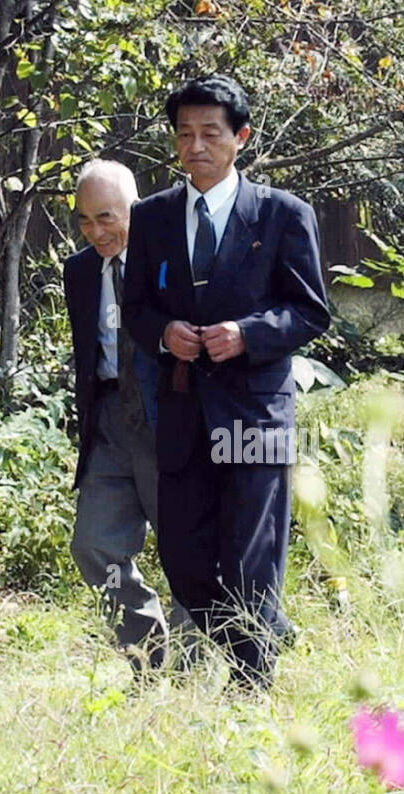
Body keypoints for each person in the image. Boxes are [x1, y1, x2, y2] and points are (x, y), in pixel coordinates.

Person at [122, 75, 330, 692]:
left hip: (255, 412)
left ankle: (250, 686)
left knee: (251, 556)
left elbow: (310, 310)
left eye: (211, 133)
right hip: (183, 410)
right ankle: (260, 636)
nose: (196, 146)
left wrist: (247, 332)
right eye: (184, 134)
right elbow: (135, 308)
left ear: (239, 138)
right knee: (184, 562)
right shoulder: (151, 216)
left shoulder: (282, 214)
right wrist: (164, 334)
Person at [64, 159, 188, 680]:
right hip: (109, 420)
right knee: (93, 543)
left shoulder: (172, 259)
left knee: (184, 548)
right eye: (85, 221)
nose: (96, 232)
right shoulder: (80, 270)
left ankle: (191, 669)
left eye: (107, 217)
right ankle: (148, 654)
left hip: (168, 415)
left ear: (134, 209)